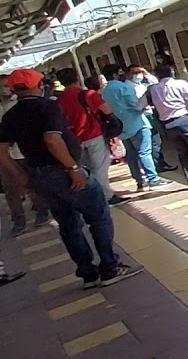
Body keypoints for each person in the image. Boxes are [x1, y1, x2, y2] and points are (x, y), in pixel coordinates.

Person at [0, 69, 140, 288]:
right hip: (63, 172)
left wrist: (21, 177)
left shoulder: (11, 115)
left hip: (39, 176)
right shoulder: (47, 106)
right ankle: (110, 268)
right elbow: (53, 140)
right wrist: (73, 168)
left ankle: (88, 274)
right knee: (99, 215)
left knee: (68, 225)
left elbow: (1, 151)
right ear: (38, 85)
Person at [101, 64, 174, 192]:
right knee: (144, 152)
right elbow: (135, 104)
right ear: (114, 75)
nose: (122, 74)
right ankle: (153, 179)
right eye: (120, 72)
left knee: (131, 155)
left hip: (120, 127)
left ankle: (139, 181)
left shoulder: (105, 91)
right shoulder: (123, 87)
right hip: (136, 123)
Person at [54, 68, 121, 206]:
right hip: (93, 135)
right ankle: (106, 197)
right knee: (100, 168)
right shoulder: (88, 94)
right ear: (78, 78)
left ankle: (93, 195)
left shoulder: (58, 100)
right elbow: (107, 109)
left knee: (86, 169)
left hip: (74, 140)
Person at [0, 82, 50, 235]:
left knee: (33, 185)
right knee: (11, 191)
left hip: (24, 153)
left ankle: (42, 212)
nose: (6, 88)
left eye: (7, 85)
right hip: (6, 157)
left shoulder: (21, 105)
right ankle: (18, 221)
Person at [130, 67, 177, 172]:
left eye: (140, 73)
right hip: (145, 116)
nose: (139, 75)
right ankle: (158, 165)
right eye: (136, 73)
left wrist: (147, 74)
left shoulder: (140, 85)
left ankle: (159, 163)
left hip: (149, 114)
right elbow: (138, 105)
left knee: (155, 141)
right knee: (154, 142)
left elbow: (157, 83)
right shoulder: (131, 87)